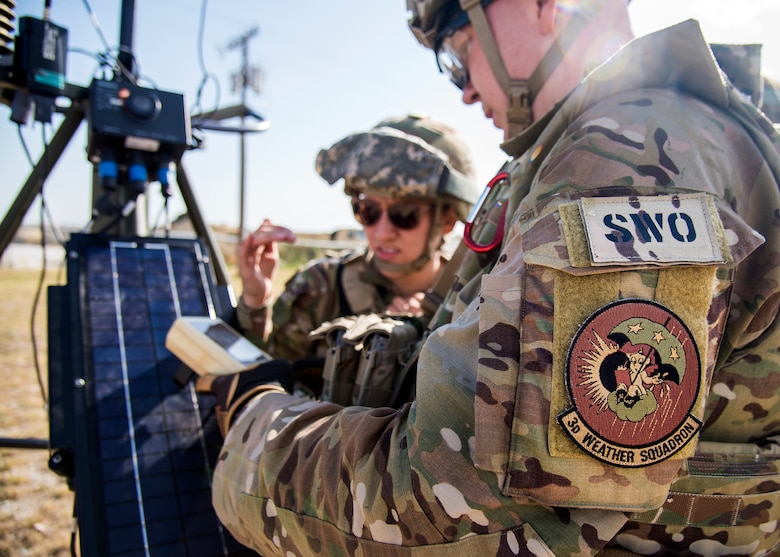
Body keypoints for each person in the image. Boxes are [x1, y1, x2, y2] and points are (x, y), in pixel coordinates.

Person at [205, 1, 780, 555]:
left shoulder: (624, 160)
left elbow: (455, 514)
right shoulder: (581, 152)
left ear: (543, 5)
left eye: (459, 50)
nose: (465, 89)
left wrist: (256, 420)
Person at [233, 113, 479, 399]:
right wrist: (255, 302)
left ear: (447, 219)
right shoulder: (321, 285)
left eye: (404, 214)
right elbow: (265, 380)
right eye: (368, 211)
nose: (382, 233)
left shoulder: (471, 303)